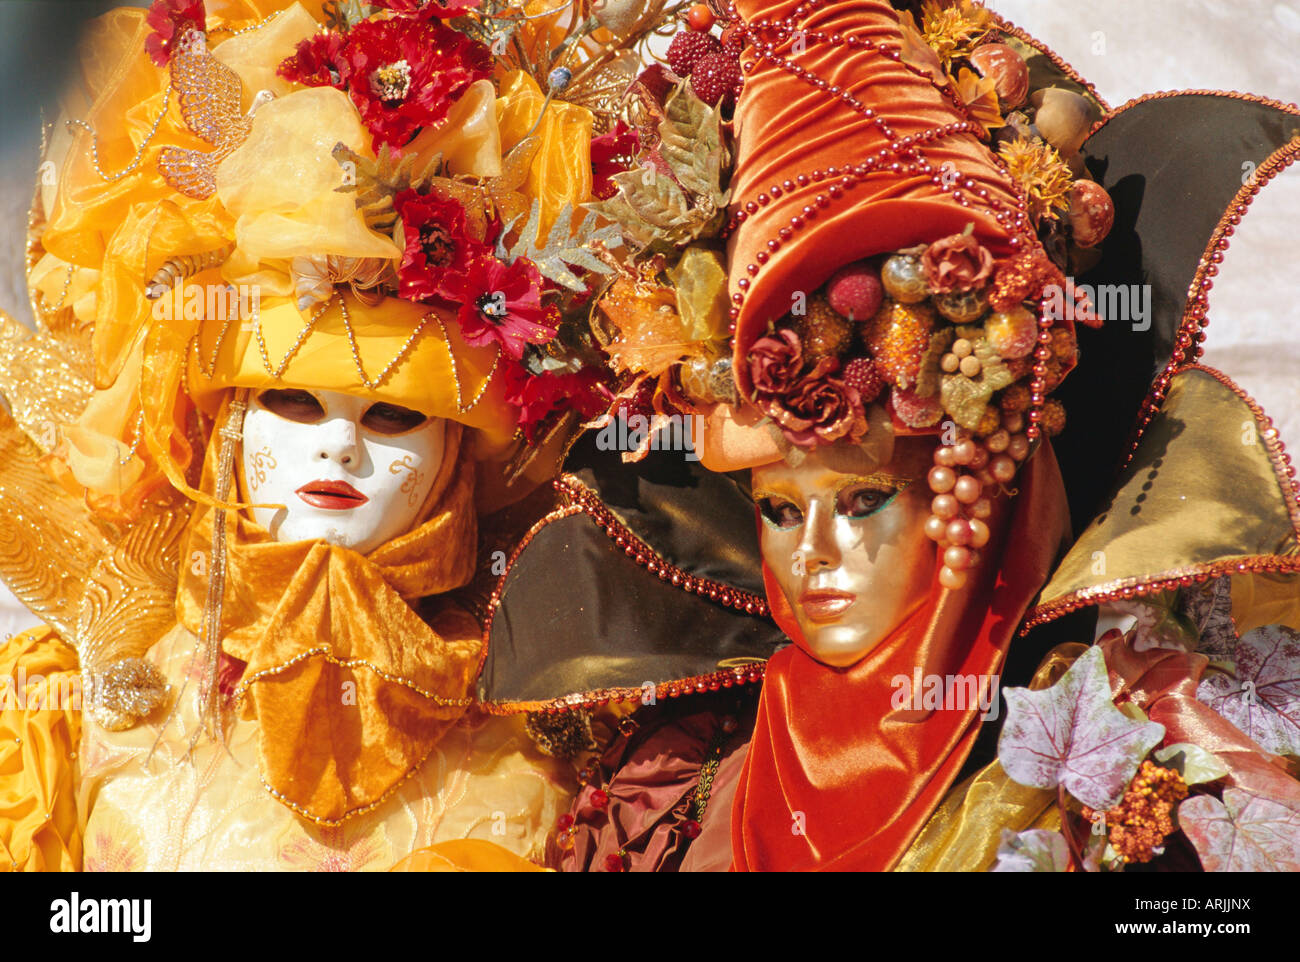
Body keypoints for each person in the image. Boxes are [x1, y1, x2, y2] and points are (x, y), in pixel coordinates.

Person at [550, 0, 1300, 871]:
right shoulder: (689, 778)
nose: (814, 557)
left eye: (864, 500)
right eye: (782, 511)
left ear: (999, 494)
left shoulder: (1130, 765)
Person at [0, 0, 640, 871]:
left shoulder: (553, 744)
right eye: (295, 403)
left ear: (460, 459)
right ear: (227, 426)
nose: (338, 449)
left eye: (392, 416)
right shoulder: (97, 709)